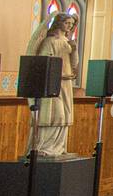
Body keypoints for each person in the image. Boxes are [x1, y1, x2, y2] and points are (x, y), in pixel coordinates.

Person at [24, 12, 79, 159]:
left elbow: (74, 65)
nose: (69, 26)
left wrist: (74, 49)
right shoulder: (49, 41)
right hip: (53, 83)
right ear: (58, 23)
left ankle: (58, 147)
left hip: (66, 83)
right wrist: (57, 76)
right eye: (67, 23)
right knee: (56, 115)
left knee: (65, 115)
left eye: (71, 24)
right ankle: (45, 147)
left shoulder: (67, 41)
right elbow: (44, 63)